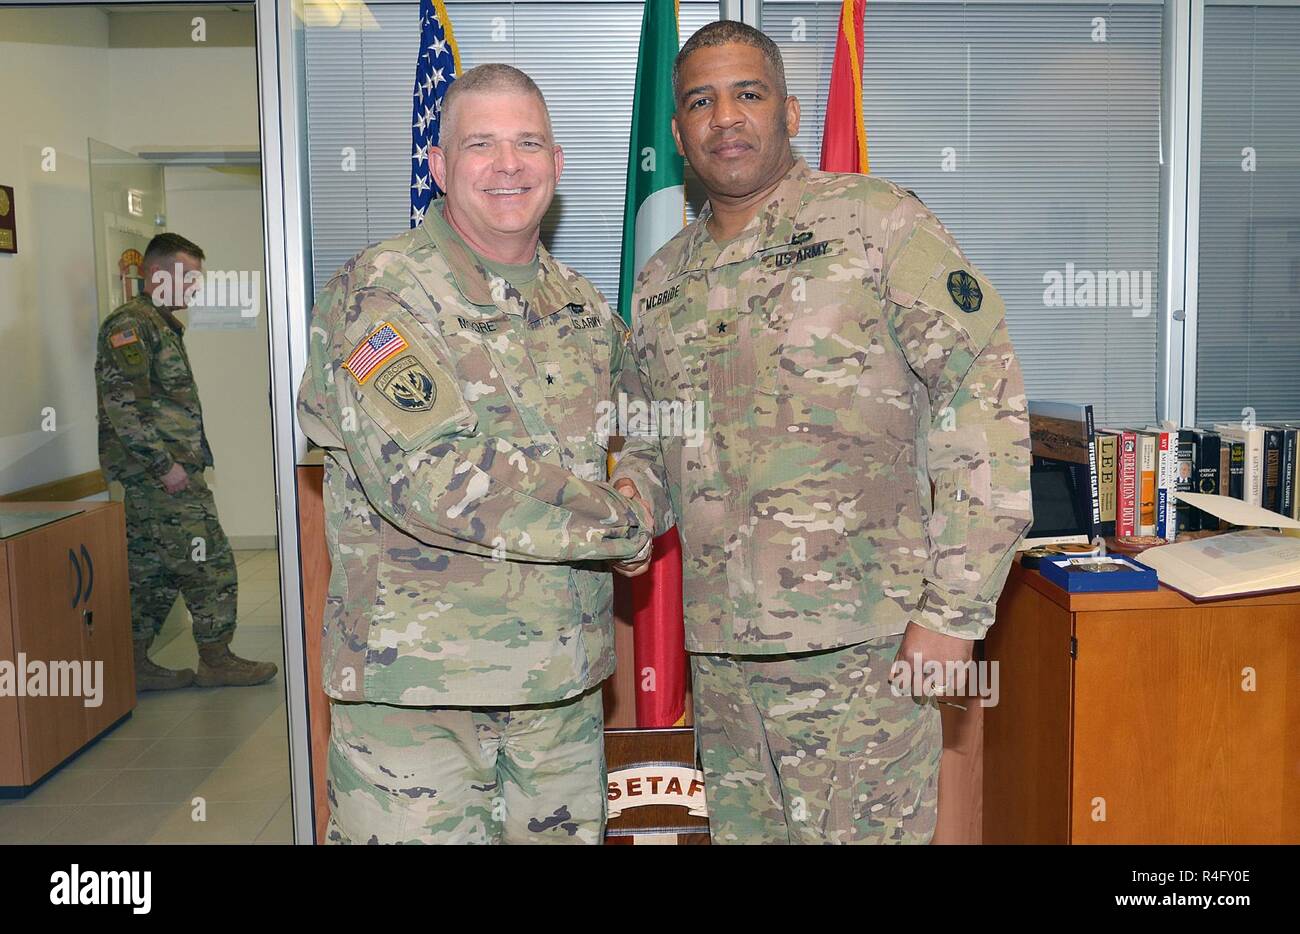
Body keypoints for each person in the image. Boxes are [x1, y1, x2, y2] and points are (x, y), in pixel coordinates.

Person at [624, 21, 1034, 843]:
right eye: (701, 102)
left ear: (792, 112)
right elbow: (646, 435)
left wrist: (955, 613)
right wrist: (623, 514)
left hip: (866, 650)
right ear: (677, 134)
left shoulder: (876, 224)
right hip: (725, 657)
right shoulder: (661, 281)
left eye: (749, 93)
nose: (725, 117)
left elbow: (981, 395)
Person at [296, 63, 669, 844]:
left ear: (557, 166)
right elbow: (437, 479)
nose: (509, 165)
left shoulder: (581, 304)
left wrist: (644, 488)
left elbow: (654, 421)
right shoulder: (380, 295)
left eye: (528, 142)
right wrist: (621, 527)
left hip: (559, 698)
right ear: (438, 166)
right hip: (420, 703)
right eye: (481, 144)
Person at [95, 232, 278, 690]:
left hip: (164, 477)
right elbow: (123, 408)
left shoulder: (159, 324)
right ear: (158, 274)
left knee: (152, 571)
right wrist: (165, 467)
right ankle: (217, 659)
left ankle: (131, 662)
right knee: (209, 562)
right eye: (189, 277)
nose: (195, 287)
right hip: (160, 479)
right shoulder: (131, 326)